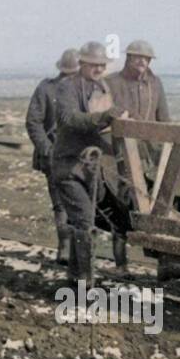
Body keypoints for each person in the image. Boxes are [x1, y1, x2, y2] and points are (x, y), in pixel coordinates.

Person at [52, 41, 126, 285]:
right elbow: (70, 119)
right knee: (84, 219)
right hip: (69, 166)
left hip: (93, 168)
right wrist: (104, 117)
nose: (97, 69)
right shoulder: (66, 88)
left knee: (83, 222)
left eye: (101, 66)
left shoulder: (102, 89)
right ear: (82, 63)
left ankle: (75, 278)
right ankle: (85, 281)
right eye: (93, 65)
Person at [103, 39, 170, 269]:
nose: (142, 62)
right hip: (120, 158)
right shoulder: (111, 83)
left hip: (149, 159)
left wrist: (163, 150)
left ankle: (162, 269)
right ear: (128, 58)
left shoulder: (155, 84)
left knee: (157, 211)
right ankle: (121, 266)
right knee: (122, 210)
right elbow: (100, 120)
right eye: (137, 57)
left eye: (146, 58)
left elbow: (164, 120)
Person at [26, 48, 79, 259]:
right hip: (53, 155)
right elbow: (33, 121)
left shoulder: (81, 91)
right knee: (59, 203)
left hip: (77, 156)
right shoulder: (46, 88)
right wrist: (47, 149)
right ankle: (64, 247)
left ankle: (76, 249)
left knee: (77, 204)